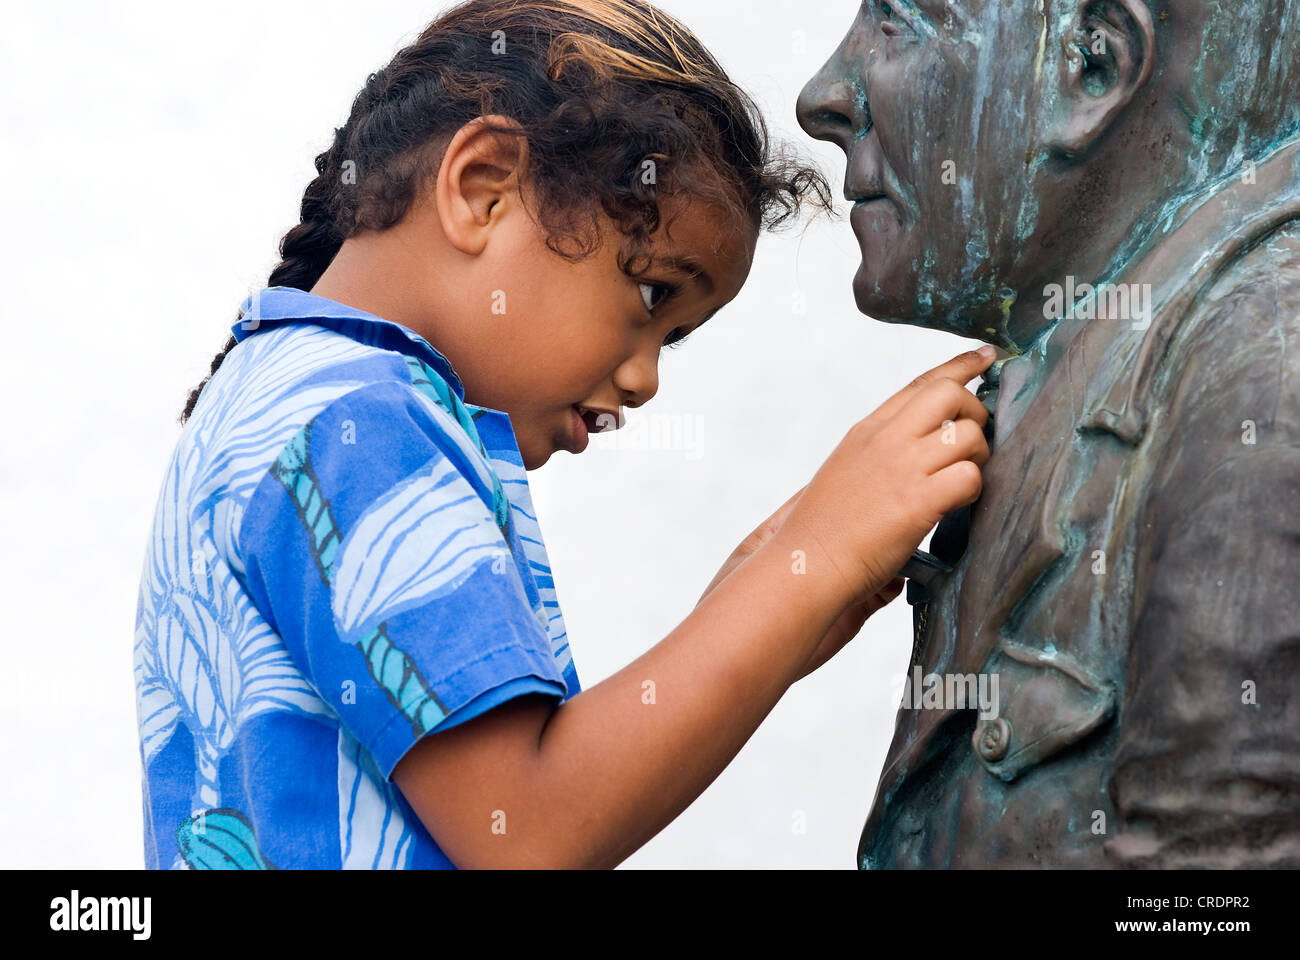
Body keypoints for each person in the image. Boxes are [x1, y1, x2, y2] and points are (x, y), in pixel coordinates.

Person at [134, 0, 993, 870]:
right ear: (483, 190)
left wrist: (778, 600)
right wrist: (813, 555)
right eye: (654, 295)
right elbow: (529, 829)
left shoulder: (285, 397)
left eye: (674, 340)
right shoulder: (360, 425)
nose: (645, 379)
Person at [798, 0, 1300, 867]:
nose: (823, 97)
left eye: (896, 20)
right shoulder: (1064, 361)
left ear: (1092, 63)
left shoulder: (1259, 381)